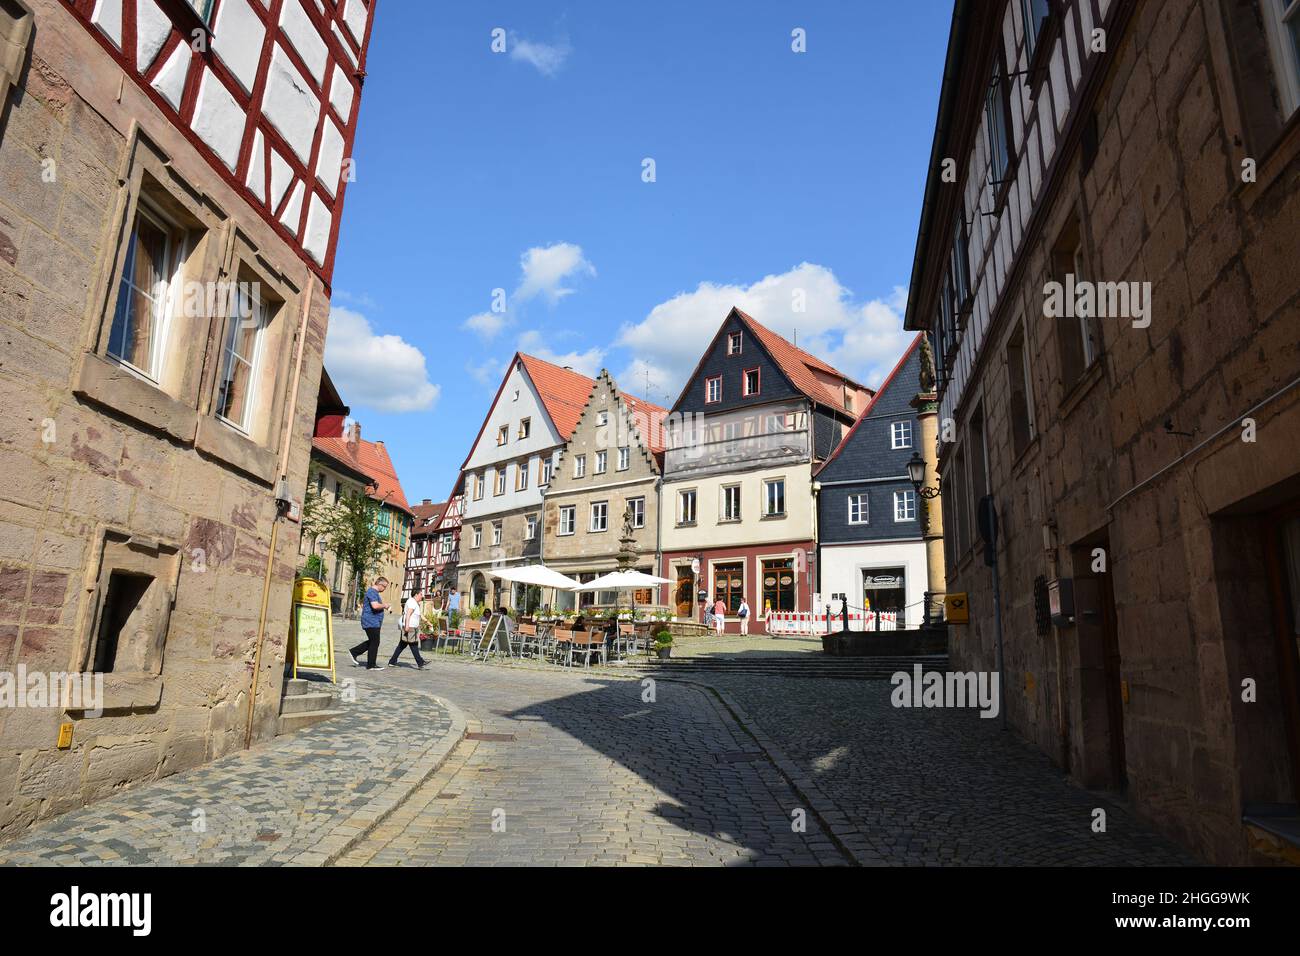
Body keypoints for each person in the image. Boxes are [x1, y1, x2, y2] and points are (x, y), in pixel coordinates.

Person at [349, 577, 390, 670]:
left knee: (374, 641)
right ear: (380, 584)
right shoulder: (372, 592)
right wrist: (385, 605)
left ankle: (356, 653)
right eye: (385, 587)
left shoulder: (374, 593)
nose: (384, 589)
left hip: (374, 621)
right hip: (371, 621)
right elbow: (375, 606)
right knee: (375, 641)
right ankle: (370, 664)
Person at [390, 587, 429, 669]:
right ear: (416, 594)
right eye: (421, 594)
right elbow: (408, 614)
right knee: (413, 644)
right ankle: (420, 662)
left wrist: (427, 622)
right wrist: (407, 626)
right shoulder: (412, 602)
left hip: (412, 628)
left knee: (402, 645)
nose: (422, 596)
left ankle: (392, 661)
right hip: (410, 627)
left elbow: (420, 614)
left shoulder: (415, 603)